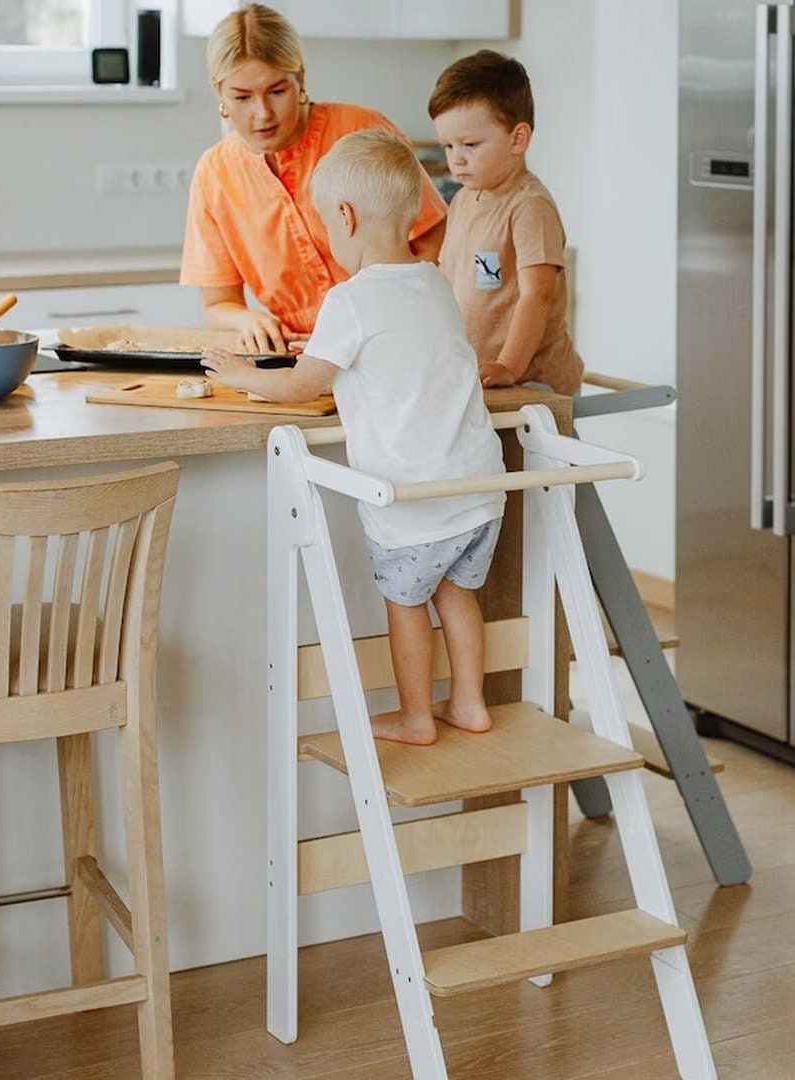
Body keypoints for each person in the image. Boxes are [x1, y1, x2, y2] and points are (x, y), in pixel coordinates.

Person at [202, 129, 506, 746]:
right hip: (478, 491)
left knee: (407, 605)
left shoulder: (350, 300)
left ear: (344, 216)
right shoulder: (434, 282)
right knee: (458, 597)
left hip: (413, 502)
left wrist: (237, 374)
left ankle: (417, 717)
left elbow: (303, 386)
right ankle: (469, 703)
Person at [181, 2, 448, 356]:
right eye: (242, 97)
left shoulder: (360, 129)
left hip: (391, 342)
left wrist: (373, 319)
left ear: (300, 80)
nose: (262, 114)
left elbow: (434, 246)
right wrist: (247, 320)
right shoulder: (214, 173)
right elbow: (218, 305)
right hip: (298, 357)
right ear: (220, 94)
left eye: (277, 91)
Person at [428, 49, 584, 396]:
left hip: (533, 383)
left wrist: (509, 366)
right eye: (448, 146)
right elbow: (447, 282)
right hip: (484, 378)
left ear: (517, 139)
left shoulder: (529, 206)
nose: (456, 160)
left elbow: (537, 296)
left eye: (470, 144)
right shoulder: (463, 200)